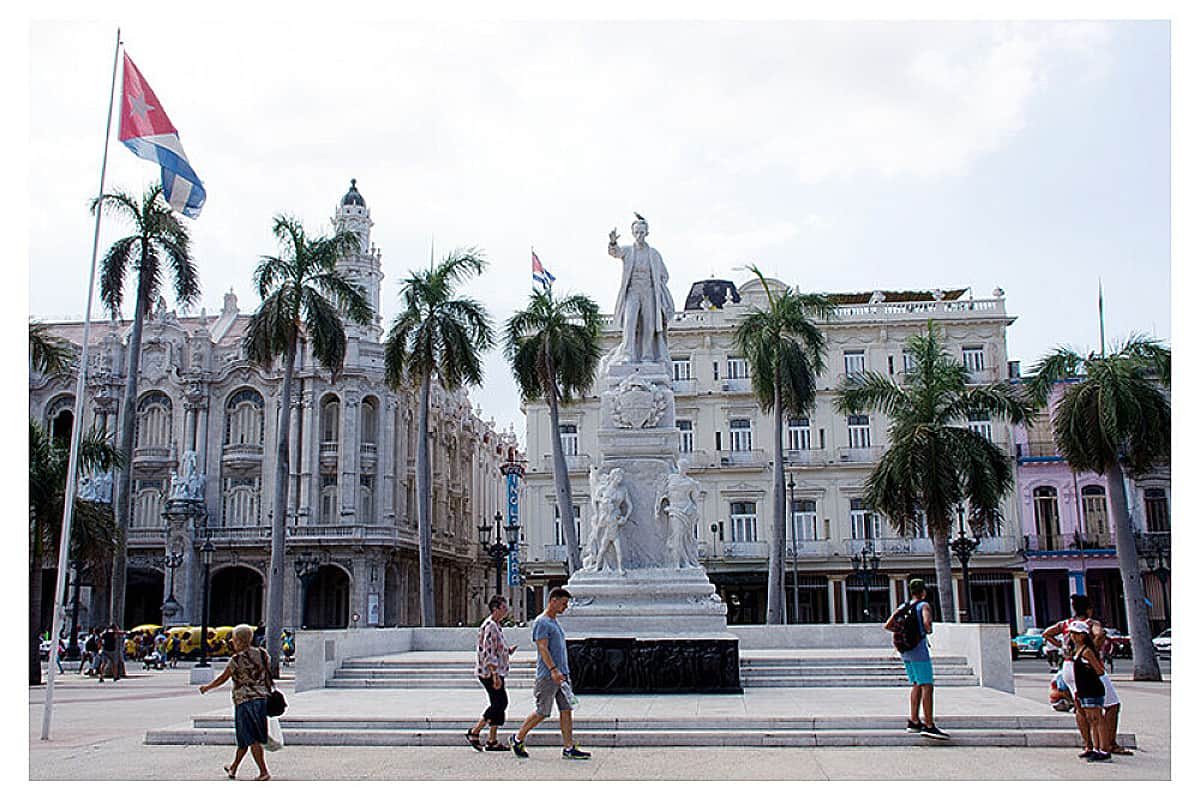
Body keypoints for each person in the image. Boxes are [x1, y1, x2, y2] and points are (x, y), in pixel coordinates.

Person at [1042, 595, 1131, 757]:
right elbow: (1100, 634)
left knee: (1080, 707)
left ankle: (1088, 745)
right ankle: (1109, 744)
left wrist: (1063, 646)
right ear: (1089, 609)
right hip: (1087, 666)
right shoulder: (1090, 624)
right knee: (1111, 705)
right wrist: (1094, 648)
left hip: (1069, 665)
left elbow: (1047, 634)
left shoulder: (1066, 624)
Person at [510, 588, 590, 760]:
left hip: (562, 674)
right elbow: (542, 647)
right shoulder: (542, 622)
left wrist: (562, 671)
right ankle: (518, 738)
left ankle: (569, 747)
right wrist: (553, 669)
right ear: (553, 601)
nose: (565, 608)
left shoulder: (554, 622)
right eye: (563, 603)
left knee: (566, 709)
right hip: (548, 675)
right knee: (543, 711)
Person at [198, 624, 274, 781]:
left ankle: (263, 772)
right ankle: (233, 767)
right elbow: (267, 675)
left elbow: (223, 678)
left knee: (250, 738)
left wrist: (207, 687)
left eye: (233, 639)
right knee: (246, 737)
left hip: (244, 701)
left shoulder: (236, 659)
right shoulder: (262, 654)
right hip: (261, 699)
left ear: (238, 640)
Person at [883, 578, 949, 740]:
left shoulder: (903, 607)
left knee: (916, 684)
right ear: (923, 591)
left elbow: (887, 625)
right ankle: (929, 724)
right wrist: (926, 630)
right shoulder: (923, 606)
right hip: (919, 650)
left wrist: (904, 633)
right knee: (927, 685)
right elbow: (927, 623)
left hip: (906, 651)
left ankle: (913, 720)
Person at [606, 214, 675, 365]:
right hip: (632, 291)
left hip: (649, 292)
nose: (639, 235)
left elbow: (664, 275)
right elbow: (614, 252)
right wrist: (612, 242)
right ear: (632, 233)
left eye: (642, 232)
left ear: (647, 233)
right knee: (630, 322)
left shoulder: (654, 254)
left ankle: (647, 356)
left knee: (649, 324)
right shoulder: (628, 251)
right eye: (636, 232)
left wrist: (658, 286)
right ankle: (628, 354)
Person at [467, 595, 518, 752]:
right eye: (503, 608)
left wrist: (507, 651)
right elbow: (488, 651)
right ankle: (475, 731)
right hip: (490, 673)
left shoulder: (496, 625)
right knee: (499, 703)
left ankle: (492, 739)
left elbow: (496, 647)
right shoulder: (490, 625)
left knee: (499, 702)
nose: (505, 611)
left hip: (497, 671)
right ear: (495, 609)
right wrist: (494, 674)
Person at [1067, 620, 1111, 762]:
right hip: (1084, 689)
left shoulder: (1087, 652)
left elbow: (1099, 670)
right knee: (1092, 719)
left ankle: (1104, 749)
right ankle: (1095, 748)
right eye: (1072, 633)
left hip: (1092, 688)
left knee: (1098, 718)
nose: (1073, 636)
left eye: (1077, 634)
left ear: (1083, 636)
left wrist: (1088, 670)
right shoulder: (1077, 651)